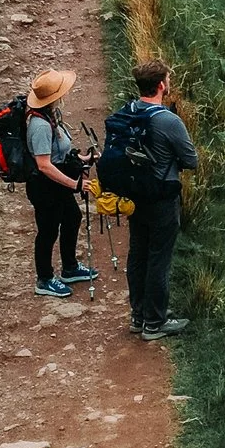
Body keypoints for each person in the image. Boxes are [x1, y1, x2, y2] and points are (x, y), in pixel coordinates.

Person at [112, 58, 198, 338]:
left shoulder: (127, 112)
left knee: (137, 255)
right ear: (161, 85)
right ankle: (155, 322)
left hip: (136, 197)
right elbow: (191, 160)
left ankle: (139, 315)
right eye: (168, 80)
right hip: (162, 197)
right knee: (158, 259)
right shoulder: (168, 121)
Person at [23, 69, 95, 298]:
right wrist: (74, 184)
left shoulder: (49, 115)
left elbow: (58, 152)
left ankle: (70, 267)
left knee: (73, 218)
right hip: (45, 187)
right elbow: (44, 164)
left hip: (55, 184)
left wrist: (81, 159)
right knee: (47, 231)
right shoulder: (41, 126)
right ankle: (44, 279)